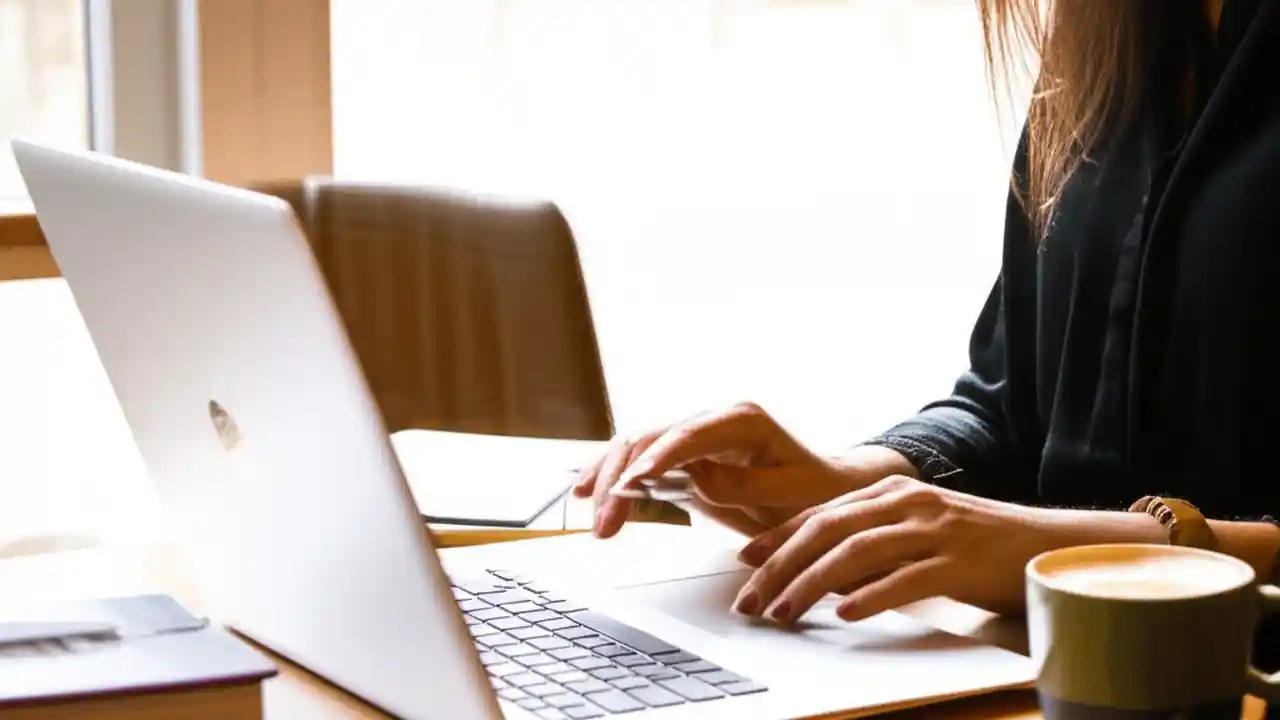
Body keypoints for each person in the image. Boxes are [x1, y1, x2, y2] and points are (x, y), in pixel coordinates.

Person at [574, 0, 1280, 636]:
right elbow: (1010, 403)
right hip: (1047, 664)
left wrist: (1073, 554)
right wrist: (850, 481)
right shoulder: (1111, 26)